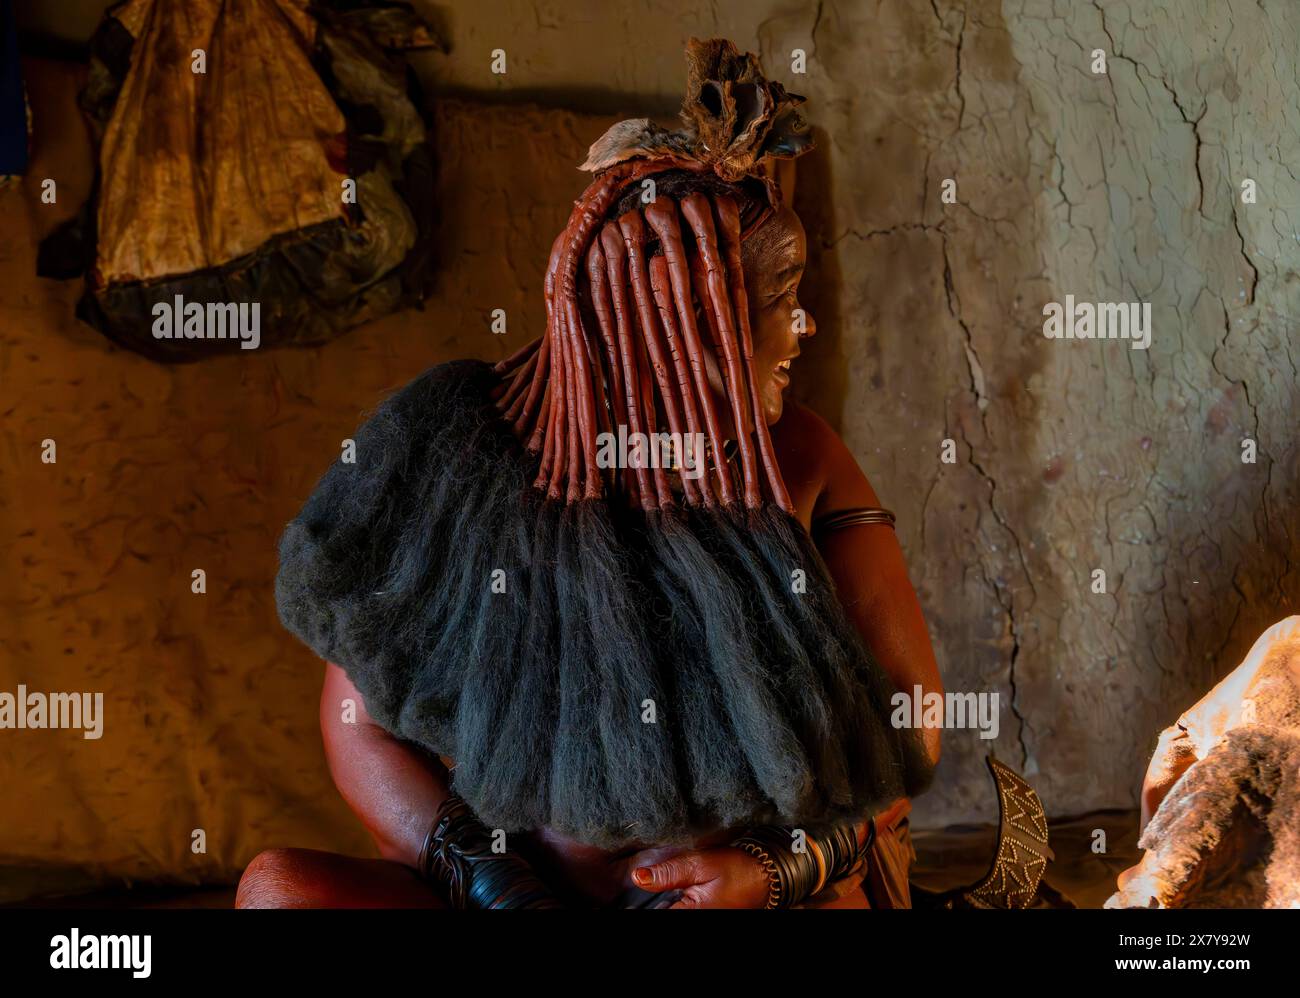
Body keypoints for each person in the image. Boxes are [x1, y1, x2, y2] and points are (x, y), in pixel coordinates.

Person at [239, 37, 942, 910]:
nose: (803, 328)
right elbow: (355, 722)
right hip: (512, 893)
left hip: (724, 898)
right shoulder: (455, 443)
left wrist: (772, 869)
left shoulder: (803, 460)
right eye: (777, 299)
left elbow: (912, 726)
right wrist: (496, 883)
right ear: (677, 316)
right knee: (281, 894)